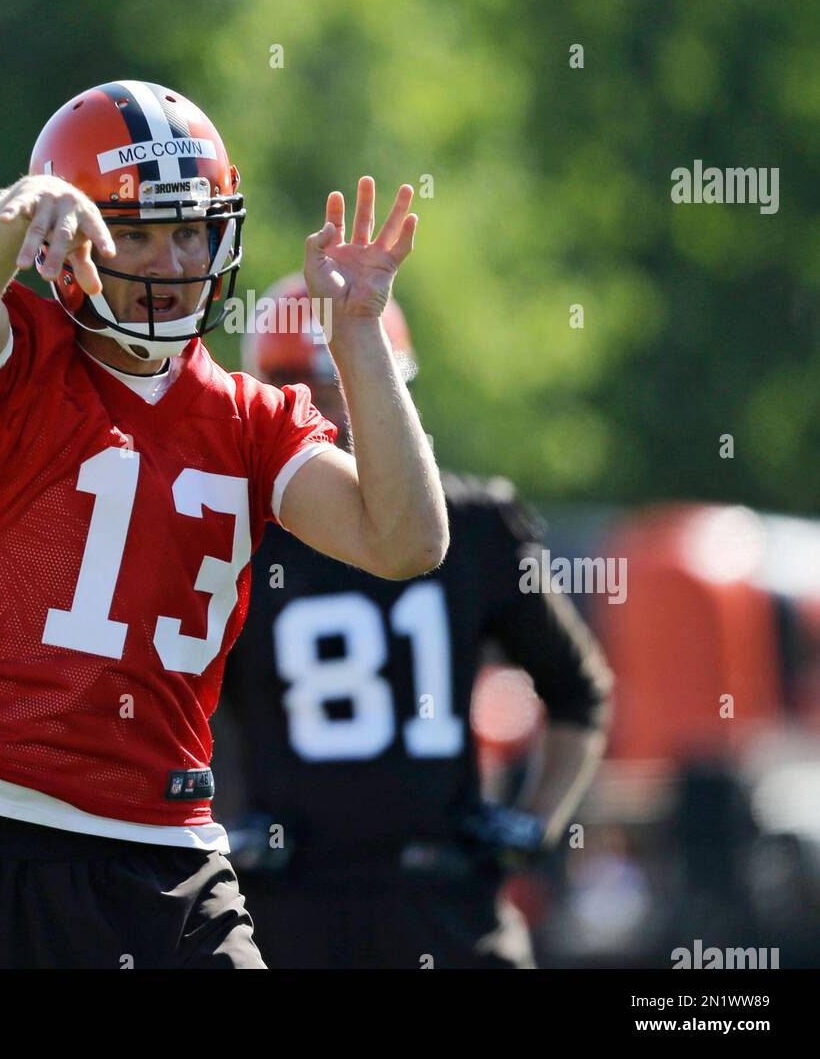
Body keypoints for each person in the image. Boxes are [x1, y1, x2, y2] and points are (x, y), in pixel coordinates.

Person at [0, 78, 447, 970]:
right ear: (67, 241)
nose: (169, 260)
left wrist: (357, 333)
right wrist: (20, 207)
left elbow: (405, 541)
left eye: (189, 230)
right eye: (139, 232)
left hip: (166, 851)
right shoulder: (14, 355)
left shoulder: (251, 417)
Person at [218, 273, 614, 967]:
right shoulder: (235, 532)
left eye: (345, 383)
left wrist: (535, 822)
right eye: (304, 388)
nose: (329, 412)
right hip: (305, 902)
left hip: (422, 895)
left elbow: (576, 688)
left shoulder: (470, 526)